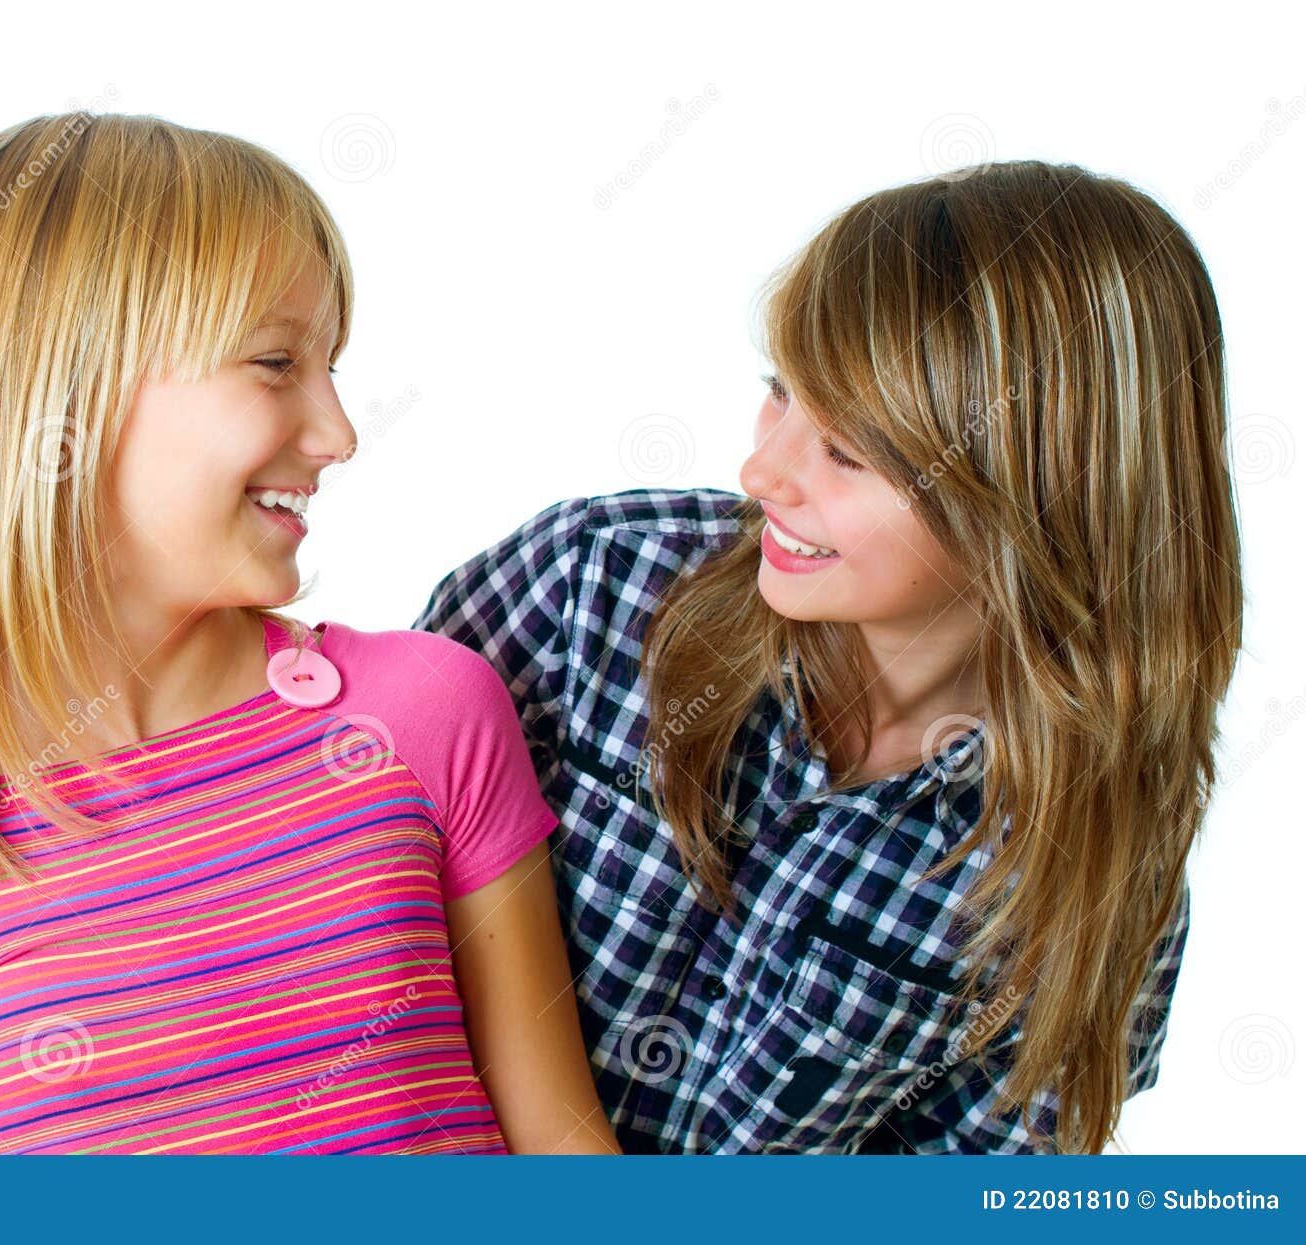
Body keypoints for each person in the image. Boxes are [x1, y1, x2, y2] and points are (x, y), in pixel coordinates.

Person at [0, 112, 620, 1156]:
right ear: (62, 395)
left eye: (332, 366)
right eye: (274, 362)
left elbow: (568, 1162)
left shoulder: (426, 714)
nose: (339, 434)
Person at [416, 160, 1241, 1154]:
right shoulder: (589, 584)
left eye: (847, 451)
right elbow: (314, 871)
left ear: (1038, 496)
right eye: (779, 394)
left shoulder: (1085, 872)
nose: (761, 470)